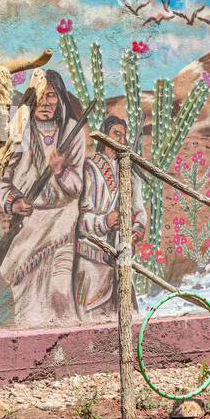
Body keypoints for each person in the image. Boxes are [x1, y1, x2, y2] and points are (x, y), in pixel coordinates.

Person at [0, 69, 86, 326]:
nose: (46, 103)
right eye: (40, 96)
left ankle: (66, 351)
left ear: (60, 99)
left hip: (61, 221)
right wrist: (14, 202)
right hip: (28, 224)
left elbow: (77, 186)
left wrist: (61, 171)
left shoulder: (71, 131)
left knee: (59, 292)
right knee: (26, 291)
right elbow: (1, 179)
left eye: (52, 96)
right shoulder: (18, 131)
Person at [74, 115, 146, 320]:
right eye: (116, 134)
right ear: (104, 137)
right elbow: (79, 218)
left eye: (124, 136)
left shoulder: (129, 172)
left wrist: (136, 230)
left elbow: (139, 208)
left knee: (126, 310)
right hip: (93, 258)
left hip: (119, 256)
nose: (121, 141)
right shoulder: (90, 168)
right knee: (92, 314)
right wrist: (104, 222)